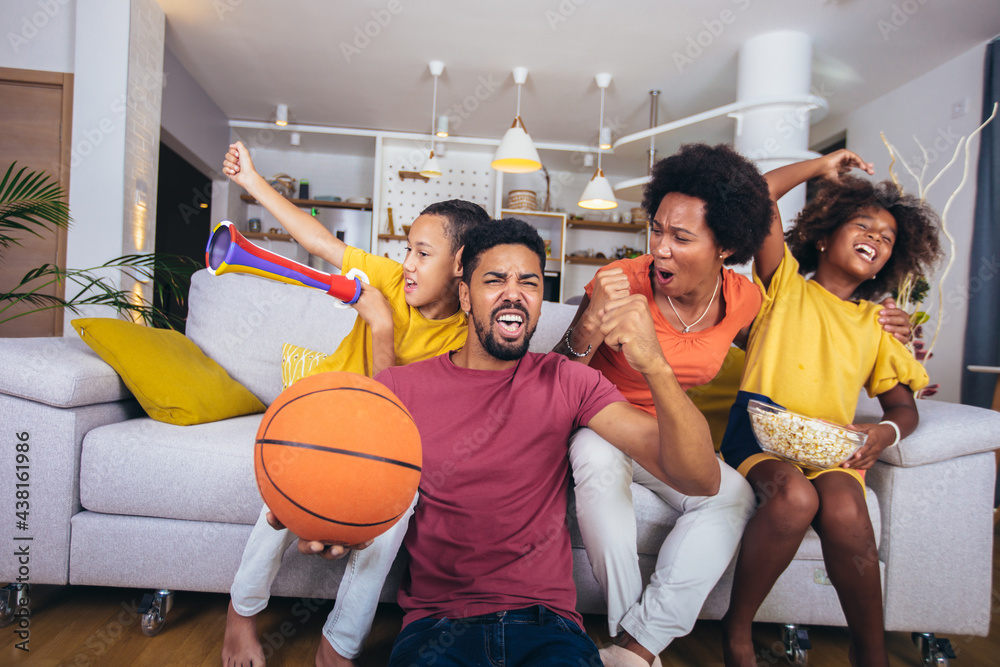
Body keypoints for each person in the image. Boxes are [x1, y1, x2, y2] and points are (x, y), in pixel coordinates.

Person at [285, 218, 721, 665]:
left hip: (548, 627)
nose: (513, 292)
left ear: (538, 299)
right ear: (464, 295)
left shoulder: (570, 381)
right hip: (437, 628)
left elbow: (701, 479)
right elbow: (351, 478)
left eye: (528, 282)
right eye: (495, 280)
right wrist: (330, 523)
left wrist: (657, 368)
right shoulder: (401, 387)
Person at [550, 143, 916, 666]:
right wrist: (589, 322)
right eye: (656, 230)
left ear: (724, 246)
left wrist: (894, 331)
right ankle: (630, 642)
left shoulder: (745, 299)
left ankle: (639, 643)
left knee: (732, 500)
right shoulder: (624, 280)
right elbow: (559, 378)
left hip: (671, 432)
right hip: (605, 423)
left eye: (680, 236)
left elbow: (789, 345)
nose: (660, 248)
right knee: (596, 464)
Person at [220, 141, 490, 666]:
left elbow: (395, 412)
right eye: (407, 248)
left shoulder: (466, 334)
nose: (406, 263)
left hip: (386, 432)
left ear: (461, 265)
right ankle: (241, 613)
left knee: (398, 508)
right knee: (281, 493)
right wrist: (252, 183)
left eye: (422, 253)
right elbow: (317, 239)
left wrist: (381, 326)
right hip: (322, 414)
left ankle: (338, 644)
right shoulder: (389, 279)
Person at [719, 150, 941, 667]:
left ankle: (871, 653)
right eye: (864, 226)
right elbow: (762, 193)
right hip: (757, 433)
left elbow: (903, 409)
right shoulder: (784, 284)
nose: (877, 239)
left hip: (829, 445)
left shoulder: (878, 324)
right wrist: (819, 168)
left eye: (887, 238)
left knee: (845, 509)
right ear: (823, 236)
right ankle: (737, 631)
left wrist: (883, 434)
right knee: (794, 499)